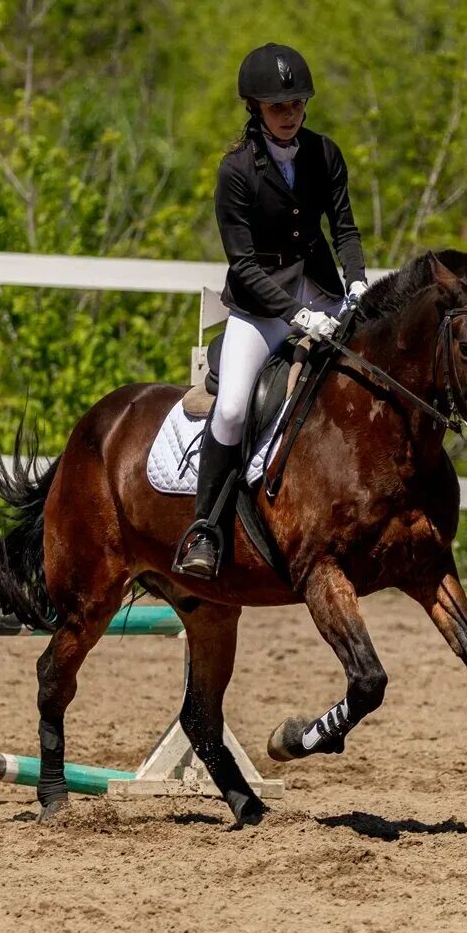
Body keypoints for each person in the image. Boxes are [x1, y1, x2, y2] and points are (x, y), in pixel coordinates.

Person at [175, 42, 368, 579]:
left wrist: (356, 284)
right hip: (261, 305)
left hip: (325, 290)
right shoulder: (235, 171)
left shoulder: (325, 154)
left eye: (297, 104)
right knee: (234, 408)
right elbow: (242, 263)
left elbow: (345, 230)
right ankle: (206, 530)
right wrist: (295, 315)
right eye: (278, 106)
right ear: (255, 108)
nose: (290, 114)